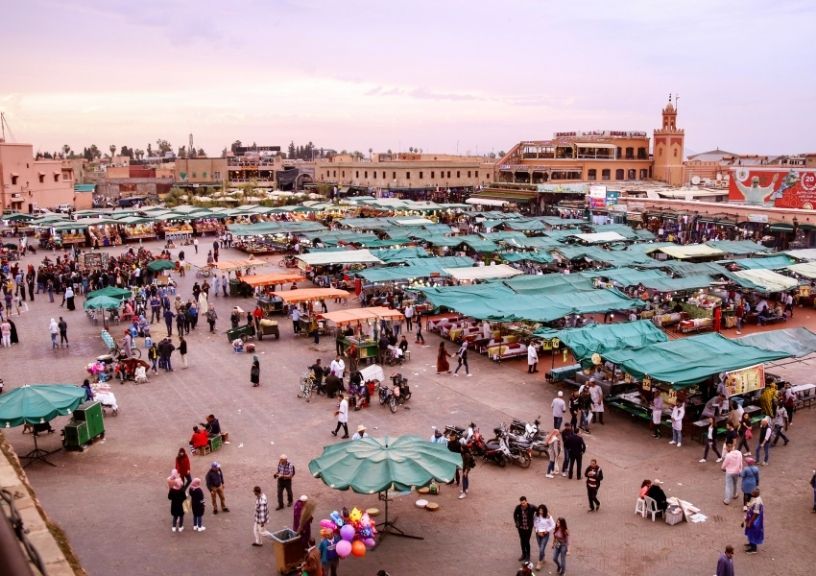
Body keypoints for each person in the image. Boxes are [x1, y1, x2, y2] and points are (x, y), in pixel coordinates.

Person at [513, 496, 535, 563]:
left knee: (527, 541)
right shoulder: (518, 507)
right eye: (522, 503)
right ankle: (523, 554)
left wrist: (546, 514)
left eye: (524, 503)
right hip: (521, 528)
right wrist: (517, 522)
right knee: (522, 541)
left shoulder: (531, 507)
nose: (523, 504)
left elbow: (539, 510)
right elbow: (515, 515)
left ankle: (528, 556)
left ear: (526, 501)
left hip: (528, 528)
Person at [533, 504, 555, 570]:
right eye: (539, 510)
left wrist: (547, 531)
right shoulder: (536, 515)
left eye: (542, 510)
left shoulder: (548, 516)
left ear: (544, 510)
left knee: (542, 548)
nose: (540, 512)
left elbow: (553, 525)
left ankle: (539, 563)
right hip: (538, 533)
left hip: (545, 534)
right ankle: (543, 557)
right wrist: (537, 531)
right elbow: (534, 524)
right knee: (541, 547)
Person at [743, 488, 764, 554]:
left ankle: (753, 549)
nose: (751, 493)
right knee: (750, 531)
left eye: (753, 493)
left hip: (755, 520)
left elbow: (756, 513)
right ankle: (751, 544)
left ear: (756, 494)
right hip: (751, 516)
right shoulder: (755, 498)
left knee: (753, 532)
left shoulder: (757, 502)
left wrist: (750, 522)